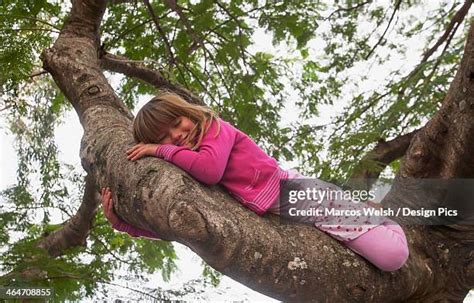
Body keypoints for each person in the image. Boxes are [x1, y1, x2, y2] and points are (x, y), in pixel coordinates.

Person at [101, 92, 409, 271]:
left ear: (188, 113)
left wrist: (160, 149)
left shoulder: (215, 129)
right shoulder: (190, 165)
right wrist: (127, 226)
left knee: (392, 257)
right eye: (164, 137)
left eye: (176, 124)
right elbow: (186, 225)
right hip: (285, 213)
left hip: (301, 195)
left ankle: (387, 221)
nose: (176, 137)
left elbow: (210, 169)